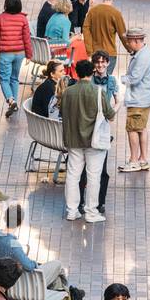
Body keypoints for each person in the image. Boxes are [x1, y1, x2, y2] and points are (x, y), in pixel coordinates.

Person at [60, 59, 115, 224]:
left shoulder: (68, 92)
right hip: (94, 141)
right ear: (92, 73)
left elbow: (63, 112)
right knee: (93, 177)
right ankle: (91, 212)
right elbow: (110, 115)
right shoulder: (98, 91)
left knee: (72, 175)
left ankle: (72, 210)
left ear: (76, 72)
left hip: (73, 139)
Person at [0, 0, 34, 119]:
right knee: (14, 78)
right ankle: (15, 103)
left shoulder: (0, 18)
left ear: (6, 5)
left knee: (4, 79)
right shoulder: (23, 19)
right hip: (19, 53)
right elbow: (27, 38)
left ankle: (11, 100)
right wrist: (29, 55)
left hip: (6, 54)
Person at [119, 28, 150, 171]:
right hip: (145, 98)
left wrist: (121, 79)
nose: (127, 44)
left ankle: (134, 160)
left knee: (132, 129)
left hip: (138, 99)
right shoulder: (143, 54)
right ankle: (143, 159)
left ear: (135, 41)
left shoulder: (142, 57)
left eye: (128, 41)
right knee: (141, 128)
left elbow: (134, 78)